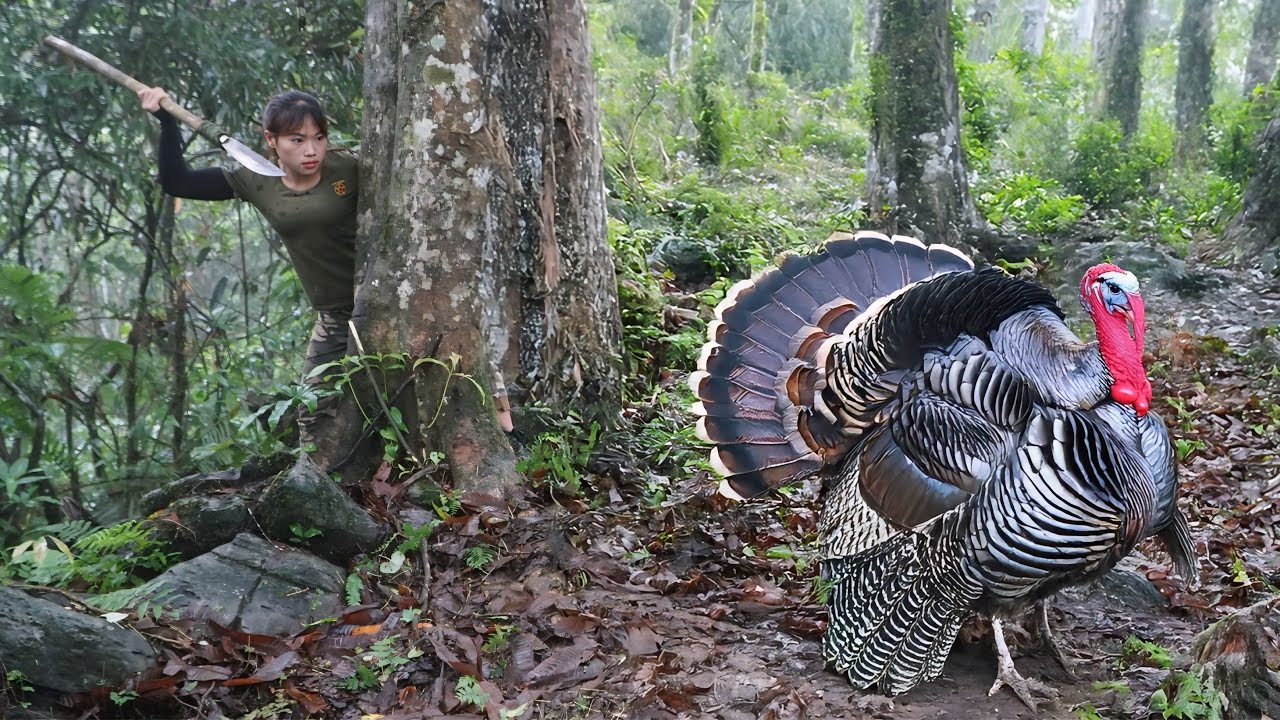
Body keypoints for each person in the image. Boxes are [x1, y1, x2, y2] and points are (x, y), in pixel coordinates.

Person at [137, 87, 358, 446]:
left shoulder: (348, 167)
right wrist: (166, 121)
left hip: (381, 302)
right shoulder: (257, 180)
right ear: (271, 140)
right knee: (314, 412)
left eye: (319, 137)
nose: (311, 150)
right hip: (334, 315)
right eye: (297, 139)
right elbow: (177, 181)